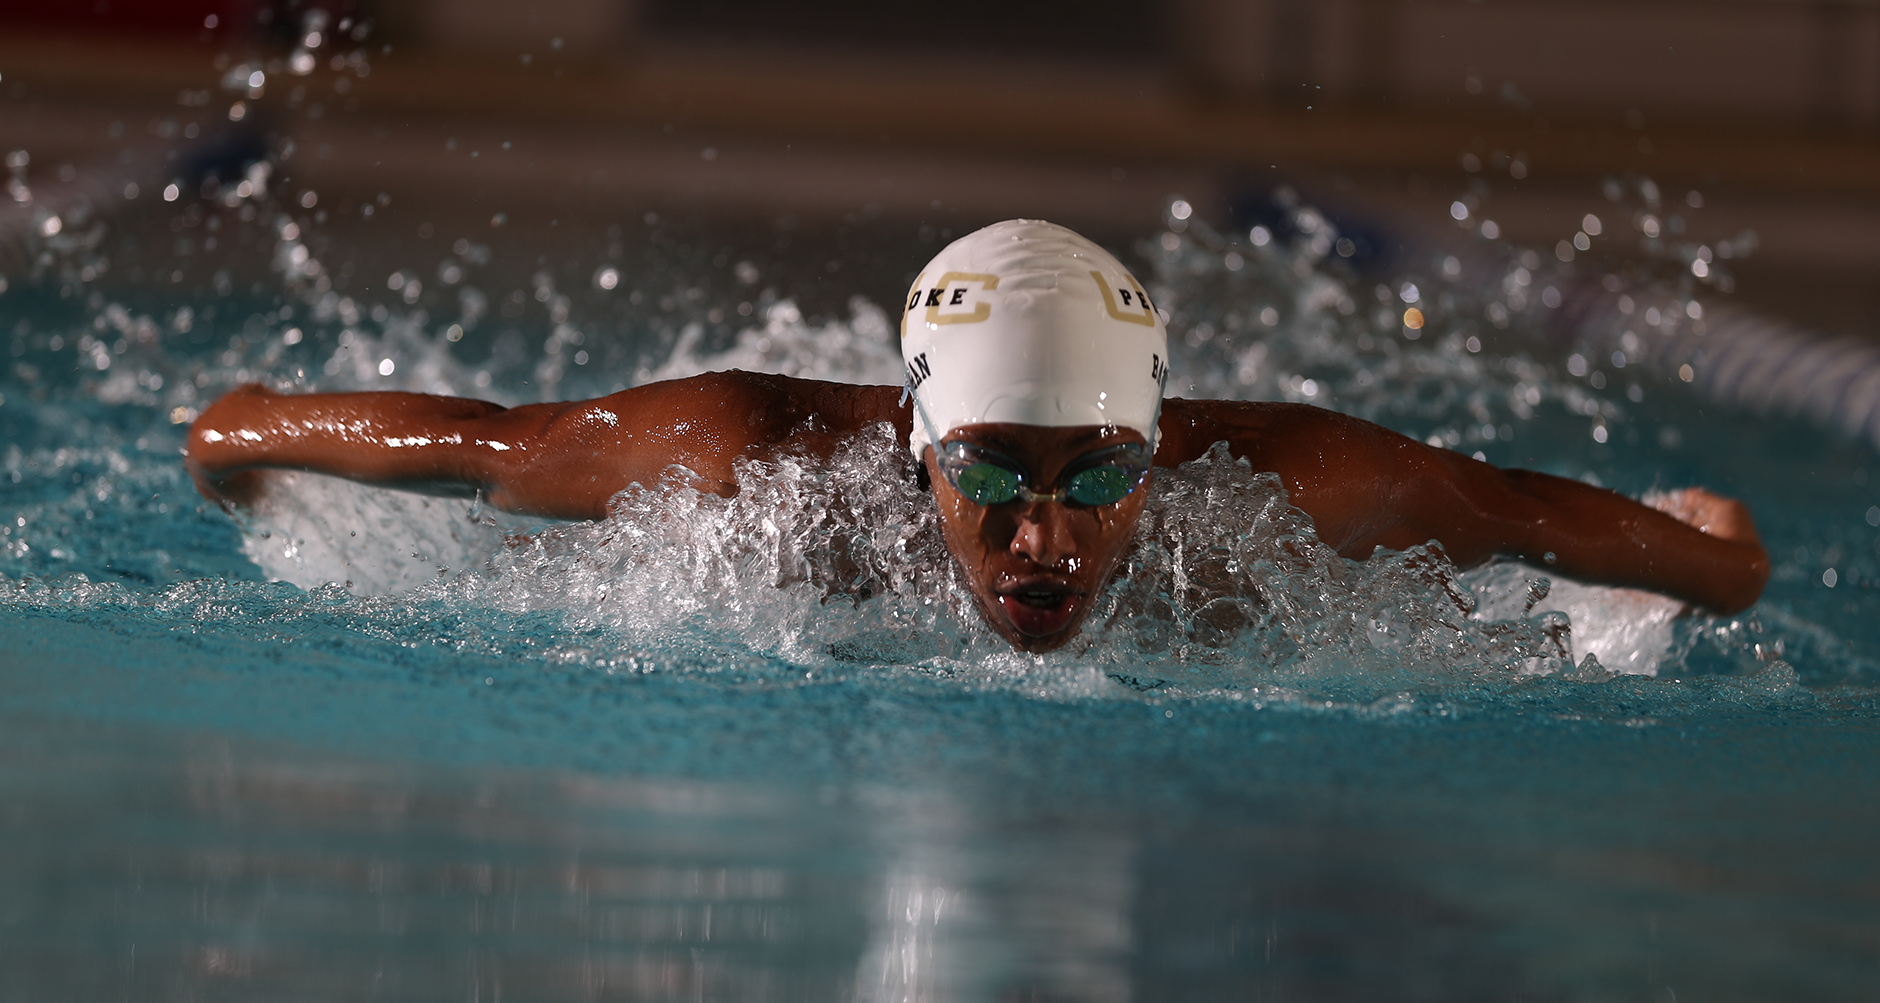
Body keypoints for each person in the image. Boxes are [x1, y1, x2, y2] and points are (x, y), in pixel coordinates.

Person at [184, 220, 1769, 653]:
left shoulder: (1291, 487)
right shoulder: (751, 468)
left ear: (1161, 451)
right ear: (915, 445)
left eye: (1099, 478)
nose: (1047, 537)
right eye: (993, 475)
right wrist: (246, 435)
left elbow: (1521, 515)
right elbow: (483, 445)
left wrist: (1707, 553)